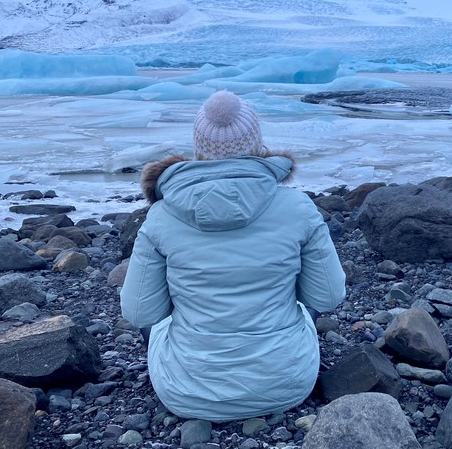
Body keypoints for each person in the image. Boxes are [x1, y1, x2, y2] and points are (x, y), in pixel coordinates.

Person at [120, 90, 347, 421]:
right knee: (299, 300)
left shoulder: (162, 216)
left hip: (186, 392)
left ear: (199, 149)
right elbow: (328, 297)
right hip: (286, 386)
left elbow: (139, 313)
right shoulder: (298, 208)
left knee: (164, 313)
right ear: (256, 144)